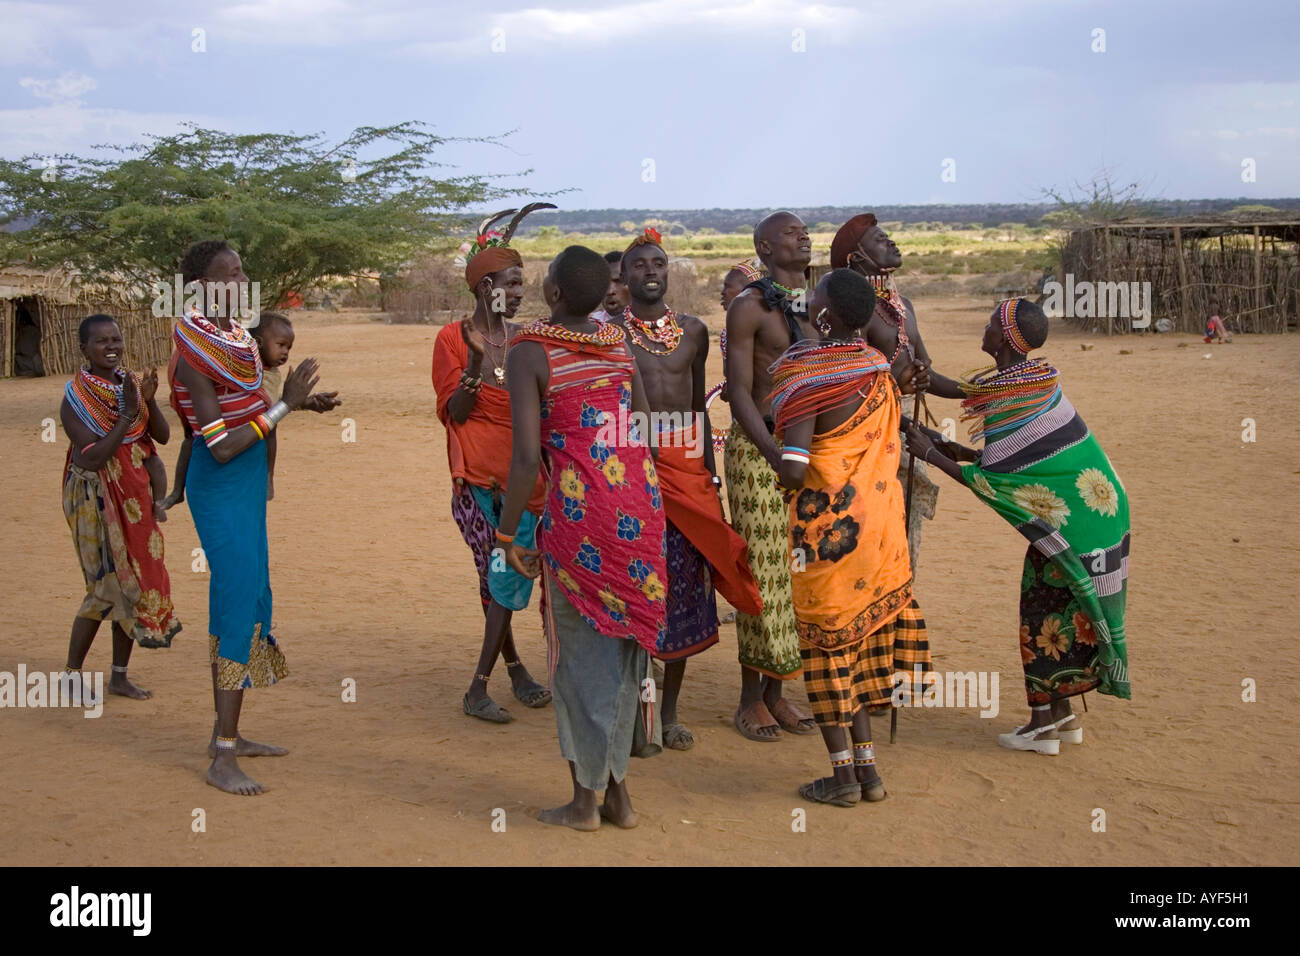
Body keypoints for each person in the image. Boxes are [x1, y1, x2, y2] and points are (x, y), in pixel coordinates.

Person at [904, 299, 1131, 755]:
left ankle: (1041, 725)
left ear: (1005, 337)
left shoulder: (1015, 397)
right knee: (1066, 611)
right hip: (1094, 515)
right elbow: (997, 446)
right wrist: (944, 440)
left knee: (1040, 614)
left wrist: (926, 453)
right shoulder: (1028, 380)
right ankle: (1063, 716)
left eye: (990, 324)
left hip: (1076, 525)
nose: (983, 329)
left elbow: (993, 480)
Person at [496, 245, 668, 831]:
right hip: (639, 512)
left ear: (554, 294)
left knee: (575, 662)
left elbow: (523, 458)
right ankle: (619, 795)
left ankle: (584, 803)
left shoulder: (530, 349)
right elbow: (641, 427)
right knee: (624, 659)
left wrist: (504, 533)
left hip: (582, 517)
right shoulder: (617, 341)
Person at [169, 239, 329, 795]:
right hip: (221, 485)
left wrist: (298, 404)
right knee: (235, 606)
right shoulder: (192, 354)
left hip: (246, 485)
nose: (239, 282)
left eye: (240, 272)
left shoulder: (234, 339)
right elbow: (217, 445)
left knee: (255, 596)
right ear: (199, 286)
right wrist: (285, 404)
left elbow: (253, 411)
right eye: (226, 275)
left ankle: (226, 736)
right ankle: (224, 759)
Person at [772, 270, 931, 805]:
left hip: (829, 541)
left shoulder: (812, 377)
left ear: (825, 317)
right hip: (882, 539)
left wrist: (767, 453)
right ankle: (869, 774)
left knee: (827, 651)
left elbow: (795, 471)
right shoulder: (878, 369)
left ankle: (842, 779)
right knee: (859, 651)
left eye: (815, 301)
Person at [614, 229, 762, 750]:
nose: (650, 271)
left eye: (658, 262)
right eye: (639, 265)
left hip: (686, 474)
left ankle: (668, 713)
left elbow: (698, 407)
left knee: (682, 594)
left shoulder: (694, 332)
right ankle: (634, 714)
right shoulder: (609, 334)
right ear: (625, 276)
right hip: (630, 471)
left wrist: (708, 476)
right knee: (635, 595)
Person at [433, 206, 553, 724]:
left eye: (523, 282)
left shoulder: (529, 339)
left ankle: (512, 670)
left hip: (526, 478)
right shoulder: (452, 340)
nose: (522, 291)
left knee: (500, 578)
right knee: (498, 573)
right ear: (485, 288)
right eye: (512, 282)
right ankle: (484, 684)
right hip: (477, 478)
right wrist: (476, 369)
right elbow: (453, 414)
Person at [723, 211, 820, 742]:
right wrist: (773, 453)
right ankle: (748, 699)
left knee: (797, 573)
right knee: (761, 571)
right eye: (790, 232)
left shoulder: (817, 303)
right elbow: (738, 391)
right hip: (759, 447)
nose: (803, 238)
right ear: (764, 247)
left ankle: (778, 693)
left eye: (806, 231)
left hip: (808, 452)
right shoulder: (748, 307)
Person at [60, 315, 181, 703]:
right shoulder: (75, 399)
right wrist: (128, 414)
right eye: (101, 342)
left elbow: (160, 435)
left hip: (134, 495)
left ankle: (118, 676)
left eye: (116, 339)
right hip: (96, 497)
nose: (111, 347)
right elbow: (93, 456)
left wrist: (146, 402)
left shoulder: (127, 386)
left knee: (131, 586)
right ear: (83, 349)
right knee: (104, 588)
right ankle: (71, 675)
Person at [831, 213, 957, 570]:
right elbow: (853, 393)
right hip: (869, 439)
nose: (891, 243)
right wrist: (899, 391)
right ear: (856, 258)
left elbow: (926, 374)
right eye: (880, 240)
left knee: (905, 540)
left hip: (903, 433)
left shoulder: (903, 305)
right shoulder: (852, 313)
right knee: (872, 541)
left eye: (889, 237)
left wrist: (976, 390)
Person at [163, 309, 339, 509]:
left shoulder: (270, 373)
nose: (285, 353)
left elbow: (272, 404)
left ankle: (268, 477)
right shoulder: (238, 369)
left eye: (289, 348)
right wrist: (294, 403)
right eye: (281, 345)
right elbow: (272, 407)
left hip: (244, 441)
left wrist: (305, 402)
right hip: (220, 440)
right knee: (190, 441)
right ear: (259, 343)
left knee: (269, 430)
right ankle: (177, 490)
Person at [592, 250, 630, 321]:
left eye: (619, 281)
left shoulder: (653, 323)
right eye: (604, 283)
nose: (610, 291)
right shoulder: (593, 325)